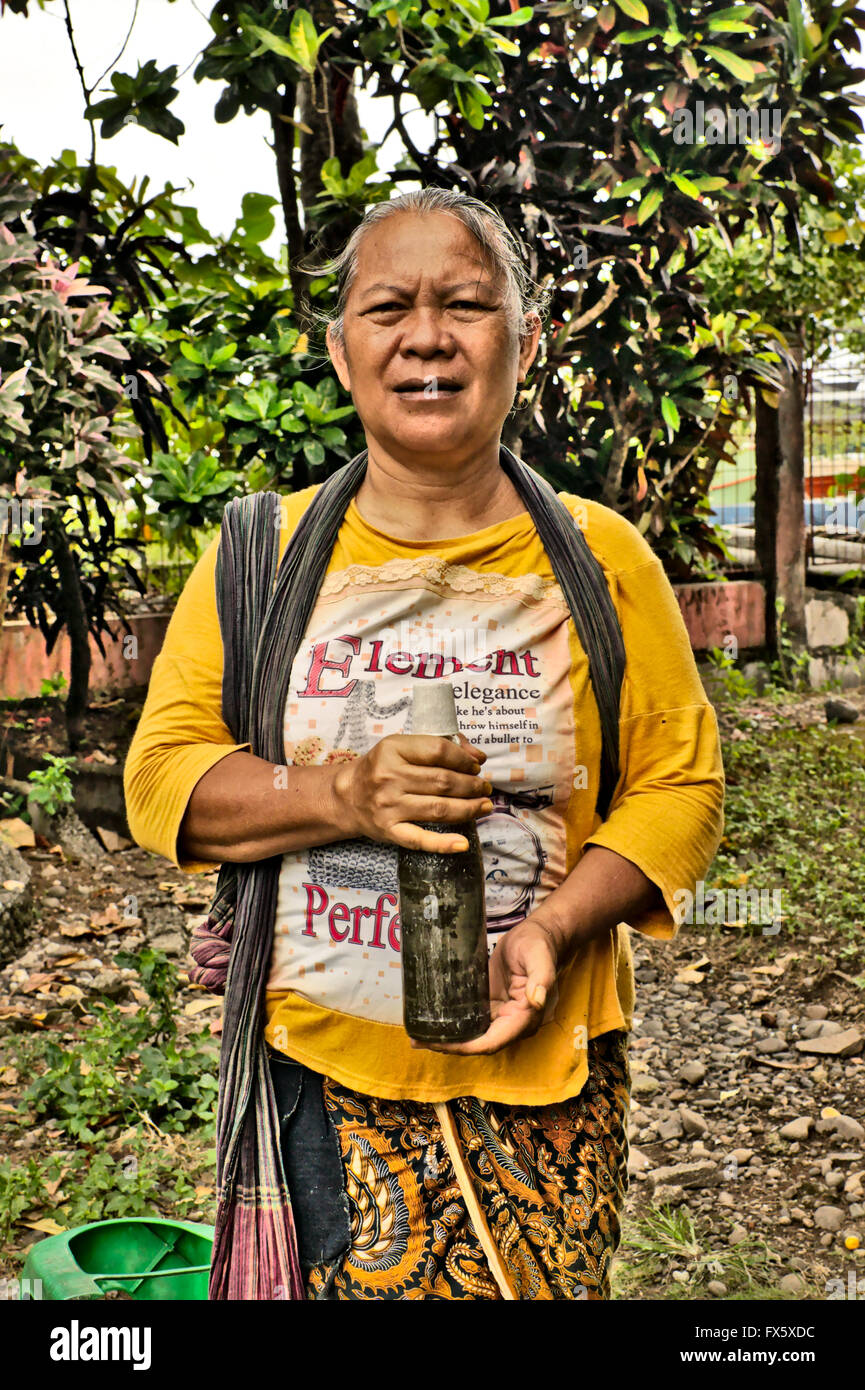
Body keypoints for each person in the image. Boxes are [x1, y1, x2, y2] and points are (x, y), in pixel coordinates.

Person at [124, 187, 724, 1300]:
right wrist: (344, 794)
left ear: (525, 342)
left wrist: (551, 923)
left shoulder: (603, 561)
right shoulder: (262, 552)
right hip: (318, 1073)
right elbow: (162, 778)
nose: (427, 338)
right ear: (343, 353)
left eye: (466, 305)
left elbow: (679, 786)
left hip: (545, 1091)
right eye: (388, 308)